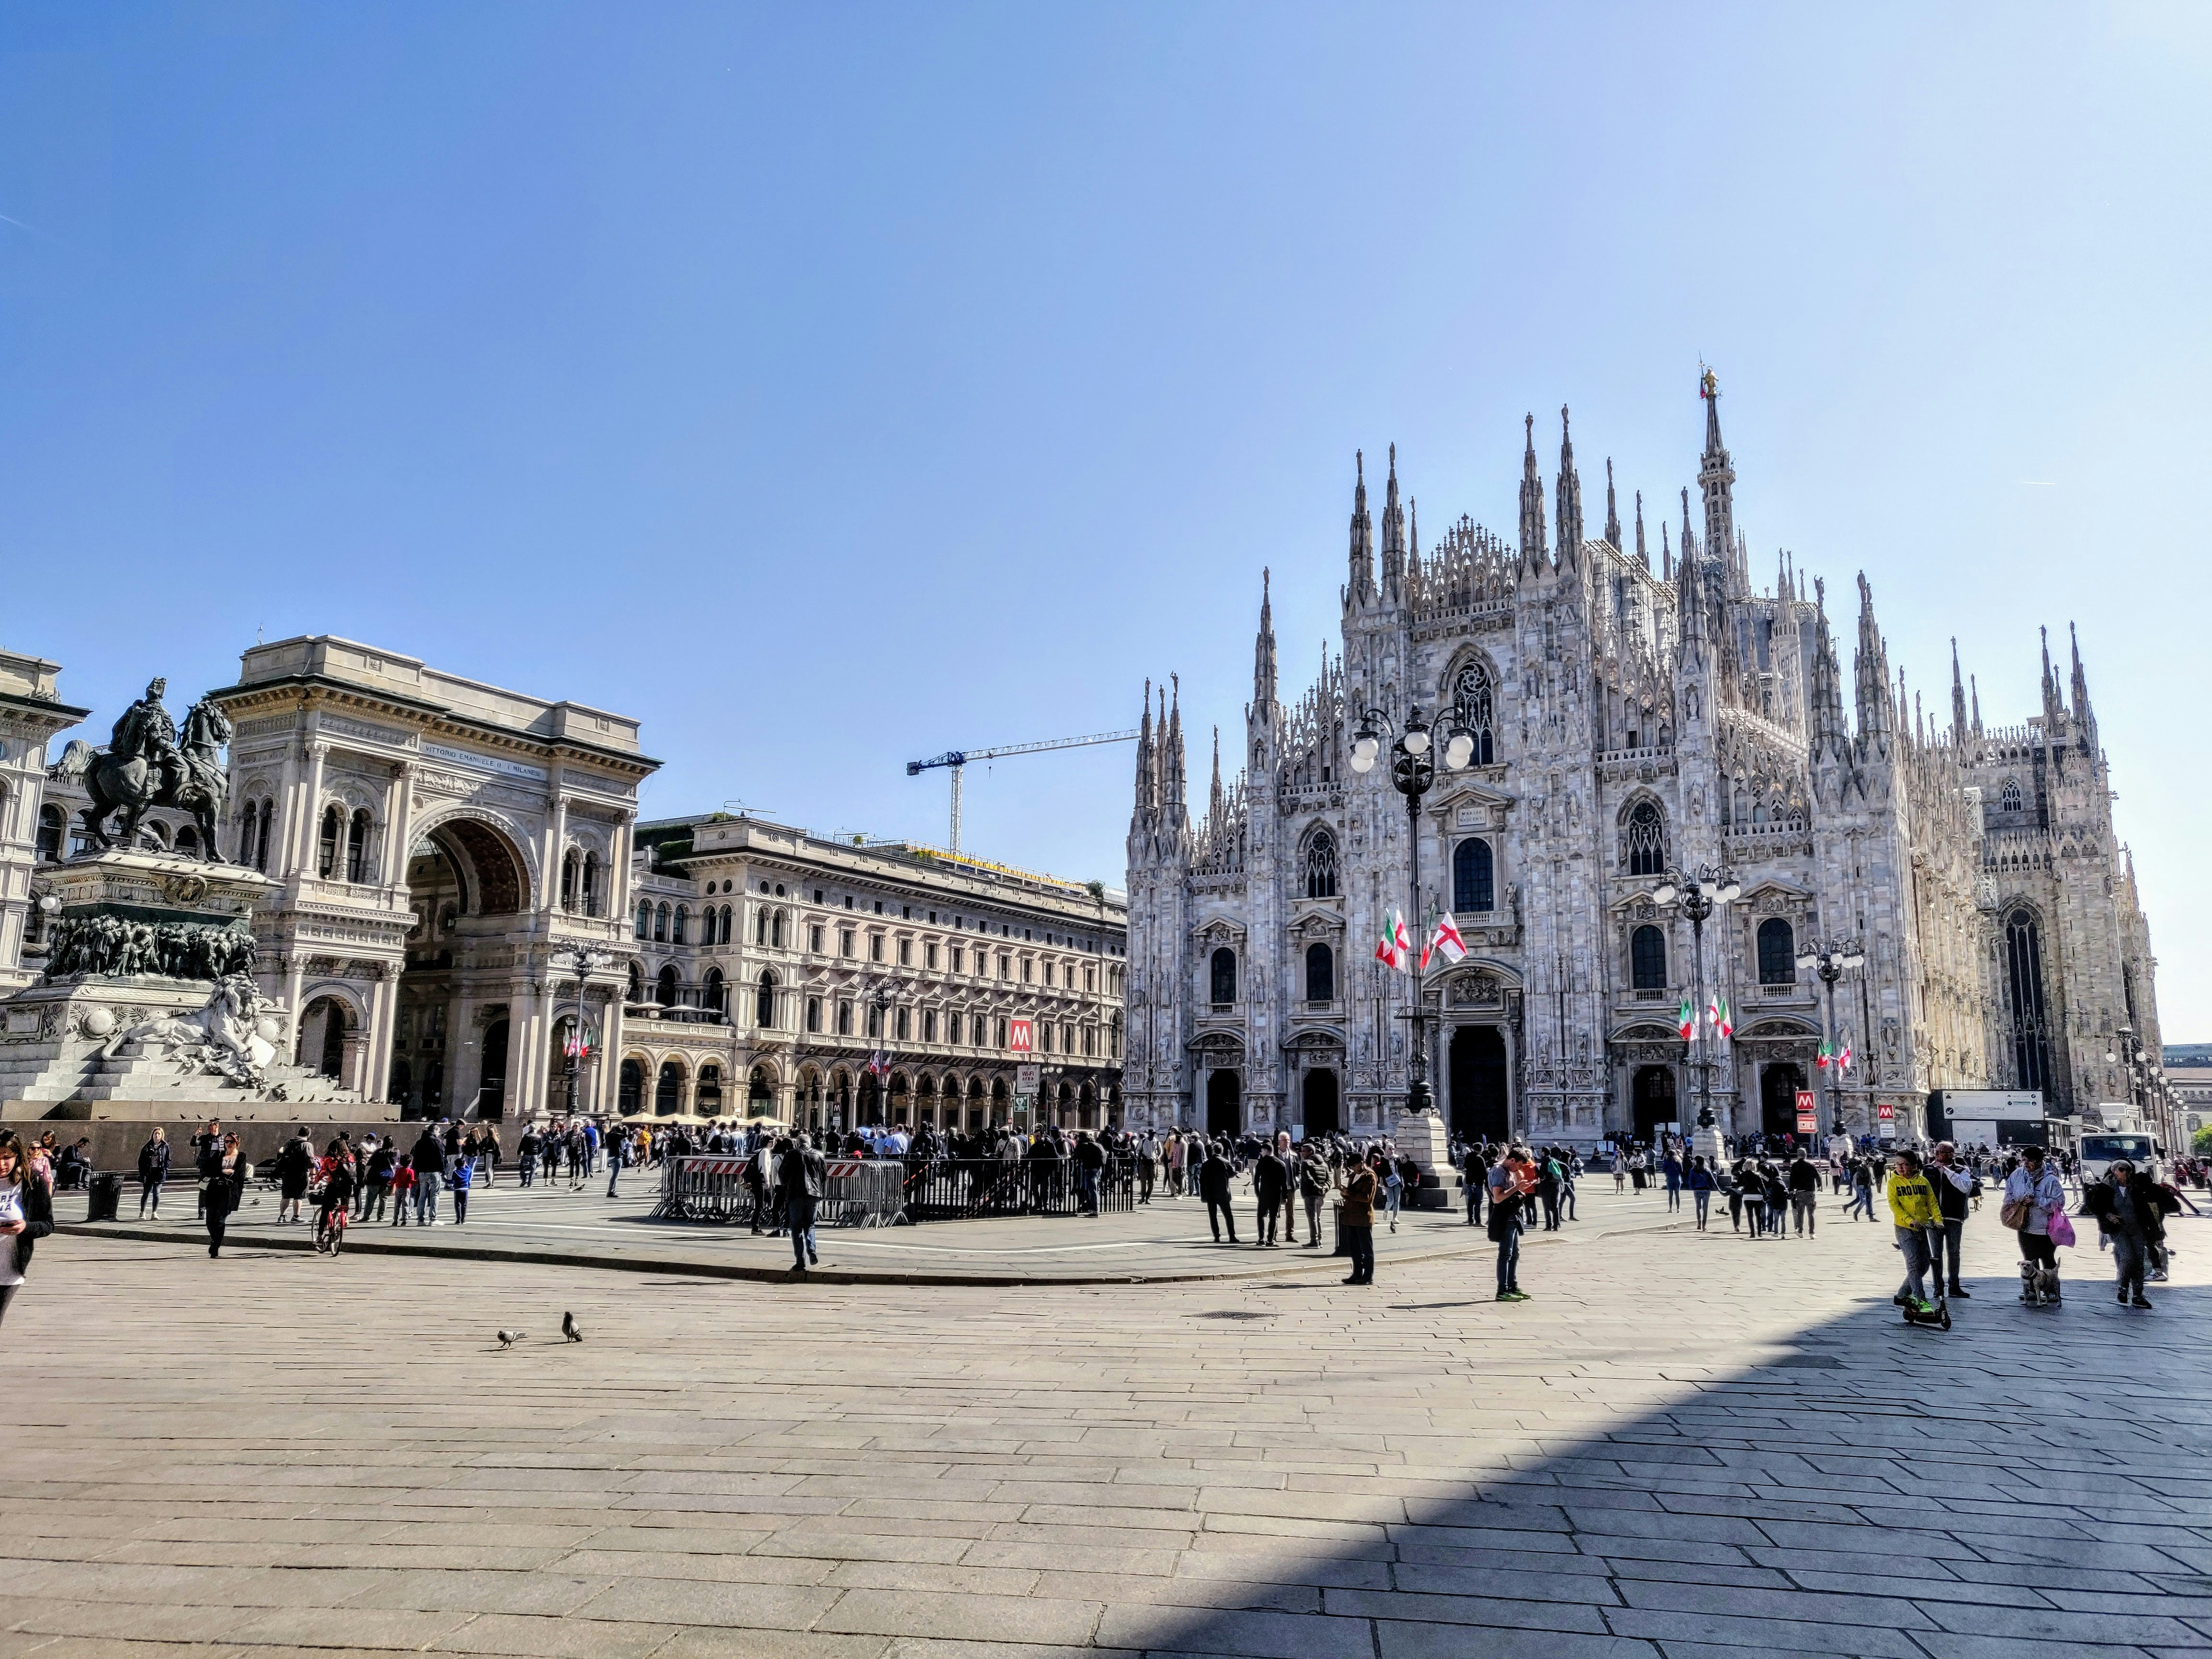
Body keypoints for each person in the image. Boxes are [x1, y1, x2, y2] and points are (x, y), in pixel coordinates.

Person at [2080, 1159, 2178, 1310]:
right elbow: (2094, 1206)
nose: (2125, 1172)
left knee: (2139, 1260)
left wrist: (2157, 1234)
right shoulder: (2106, 1188)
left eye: (2127, 1170)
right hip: (2118, 1229)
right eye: (2121, 1169)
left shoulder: (2136, 1189)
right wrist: (2108, 1215)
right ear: (2114, 1171)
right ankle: (2124, 1287)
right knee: (2128, 1257)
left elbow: (2146, 1212)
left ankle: (2138, 1295)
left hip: (2137, 1229)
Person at [0, 1132, 54, 1325]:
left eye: (7, 1157)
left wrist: (25, 1227)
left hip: (8, 1272)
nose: (2, 1164)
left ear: (18, 1156)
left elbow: (47, 1225)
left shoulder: (33, 1183)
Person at [2002, 1144, 2067, 1304]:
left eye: (2030, 1161)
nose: (2027, 1164)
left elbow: (2059, 1203)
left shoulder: (2050, 1180)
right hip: (2025, 1226)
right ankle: (2031, 1290)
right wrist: (2011, 1205)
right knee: (2029, 1260)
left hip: (2046, 1228)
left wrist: (2037, 1202)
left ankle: (2051, 1291)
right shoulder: (2017, 1175)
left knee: (2048, 1260)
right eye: (2025, 1160)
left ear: (2039, 1162)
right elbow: (2009, 1193)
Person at [1883, 1149, 1944, 1309]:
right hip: (1904, 1228)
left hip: (1922, 1227)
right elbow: (1894, 1206)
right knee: (1913, 1263)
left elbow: (1932, 1203)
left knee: (1924, 1265)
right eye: (1898, 1164)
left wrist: (1938, 1220)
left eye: (1905, 1164)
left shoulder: (1923, 1182)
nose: (1901, 1168)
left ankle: (1903, 1294)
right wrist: (1910, 1221)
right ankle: (1920, 1300)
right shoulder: (1893, 1183)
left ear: (1915, 1166)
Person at [1926, 1142, 1973, 1297]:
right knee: (1936, 1254)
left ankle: (1954, 1286)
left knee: (1954, 1252)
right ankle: (1937, 1287)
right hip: (1933, 1219)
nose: (1937, 1154)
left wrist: (1948, 1172)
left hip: (1954, 1217)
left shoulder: (1961, 1170)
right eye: (1936, 1151)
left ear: (1950, 1155)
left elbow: (1966, 1187)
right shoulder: (1927, 1170)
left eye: (1940, 1152)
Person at [1487, 1146, 1534, 1301]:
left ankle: (1512, 1287)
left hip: (1513, 1216)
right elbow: (1497, 1198)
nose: (1520, 1168)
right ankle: (1503, 1290)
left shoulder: (1510, 1171)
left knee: (1514, 1254)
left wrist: (1520, 1183)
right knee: (1506, 1254)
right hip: (1505, 1217)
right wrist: (1517, 1188)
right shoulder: (1499, 1172)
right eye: (1520, 1165)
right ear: (1513, 1161)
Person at [779, 1133, 825, 1274]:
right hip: (814, 1194)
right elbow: (824, 1176)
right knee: (810, 1225)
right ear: (809, 1143)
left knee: (797, 1228)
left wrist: (787, 1185)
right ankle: (812, 1250)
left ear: (798, 1144)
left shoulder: (791, 1154)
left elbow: (783, 1173)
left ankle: (800, 1261)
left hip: (796, 1193)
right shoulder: (819, 1155)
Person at [198, 1131, 249, 1258]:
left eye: (231, 1142)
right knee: (210, 1221)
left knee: (220, 1220)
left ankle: (215, 1246)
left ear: (237, 1143)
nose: (228, 1144)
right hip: (214, 1190)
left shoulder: (241, 1156)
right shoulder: (219, 1155)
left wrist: (227, 1174)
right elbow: (210, 1169)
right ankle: (214, 1240)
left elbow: (240, 1175)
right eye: (226, 1142)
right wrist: (223, 1172)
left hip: (229, 1192)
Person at [1338, 1154, 1377, 1286]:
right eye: (1352, 1167)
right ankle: (1357, 1273)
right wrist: (1345, 1193)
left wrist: (1350, 1194)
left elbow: (1367, 1197)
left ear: (1362, 1163)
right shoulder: (1354, 1176)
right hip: (1351, 1217)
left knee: (1366, 1249)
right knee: (1354, 1248)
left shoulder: (1369, 1176)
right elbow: (1351, 1194)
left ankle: (1368, 1275)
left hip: (1362, 1217)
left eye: (1355, 1166)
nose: (1354, 1169)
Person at [1199, 1140, 1238, 1243]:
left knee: (1213, 1216)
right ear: (1222, 1151)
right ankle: (1232, 1236)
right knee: (1228, 1215)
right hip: (1223, 1192)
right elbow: (1232, 1174)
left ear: (1213, 1151)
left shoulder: (1206, 1164)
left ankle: (1216, 1236)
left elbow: (1201, 1181)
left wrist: (1203, 1195)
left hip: (1210, 1193)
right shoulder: (1225, 1162)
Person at [1252, 1136, 1287, 1247]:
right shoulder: (1281, 1163)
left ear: (1266, 1152)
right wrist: (1285, 1196)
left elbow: (1256, 1180)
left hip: (1264, 1193)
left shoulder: (1261, 1163)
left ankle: (1261, 1238)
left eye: (1262, 1151)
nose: (1261, 1153)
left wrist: (1258, 1193)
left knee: (1261, 1216)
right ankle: (1270, 1239)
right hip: (1276, 1193)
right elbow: (1284, 1182)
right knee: (1273, 1216)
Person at [275, 1127, 313, 1225]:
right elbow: (310, 1161)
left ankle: (282, 1217)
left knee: (286, 1196)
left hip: (287, 1173)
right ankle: (296, 1216)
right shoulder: (307, 1145)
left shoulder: (289, 1143)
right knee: (299, 1196)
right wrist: (313, 1173)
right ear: (309, 1135)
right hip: (301, 1173)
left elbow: (279, 1156)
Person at [410, 1127, 446, 1226]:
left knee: (423, 1195)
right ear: (435, 1131)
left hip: (422, 1172)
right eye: (438, 1131)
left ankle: (420, 1219)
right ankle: (433, 1219)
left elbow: (415, 1157)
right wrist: (444, 1171)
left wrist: (417, 1171)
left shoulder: (420, 1142)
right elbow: (441, 1157)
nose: (439, 1133)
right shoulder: (437, 1142)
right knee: (435, 1195)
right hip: (434, 1172)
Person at [136, 1127, 171, 1218]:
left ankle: (154, 1212)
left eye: (159, 1134)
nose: (157, 1136)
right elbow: (141, 1161)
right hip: (149, 1172)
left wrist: (165, 1169)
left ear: (162, 1135)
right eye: (156, 1134)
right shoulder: (147, 1146)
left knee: (157, 1193)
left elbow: (168, 1159)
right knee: (146, 1192)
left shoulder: (165, 1146)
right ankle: (143, 1212)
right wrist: (142, 1173)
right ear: (153, 1135)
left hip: (159, 1172)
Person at [1298, 1147, 1328, 1248]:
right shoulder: (1324, 1164)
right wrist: (1324, 1188)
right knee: (1318, 1218)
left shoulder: (1306, 1163)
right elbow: (1329, 1179)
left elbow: (1308, 1178)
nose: (1302, 1153)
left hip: (1310, 1193)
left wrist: (1317, 1187)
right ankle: (1319, 1239)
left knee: (1312, 1218)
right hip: (1321, 1194)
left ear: (1311, 1152)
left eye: (1304, 1151)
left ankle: (1314, 1241)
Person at [1787, 1152, 1821, 1238]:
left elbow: (1791, 1179)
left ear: (1798, 1155)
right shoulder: (1811, 1165)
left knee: (1800, 1213)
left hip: (1800, 1192)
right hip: (1810, 1191)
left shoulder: (1795, 1166)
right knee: (1811, 1213)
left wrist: (1791, 1190)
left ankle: (1800, 1231)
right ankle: (1812, 1233)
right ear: (1805, 1155)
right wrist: (1819, 1185)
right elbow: (1817, 1176)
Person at [1686, 1155, 1715, 1230]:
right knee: (1705, 1209)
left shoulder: (1693, 1170)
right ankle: (1704, 1226)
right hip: (1706, 1190)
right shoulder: (1706, 1170)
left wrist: (1693, 1188)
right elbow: (1713, 1180)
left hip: (1697, 1190)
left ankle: (1699, 1224)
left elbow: (1690, 1181)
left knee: (1698, 1207)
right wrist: (1716, 1187)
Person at [390, 1154, 418, 1225]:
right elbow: (412, 1181)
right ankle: (405, 1219)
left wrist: (391, 1183)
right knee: (405, 1204)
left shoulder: (398, 1171)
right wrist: (418, 1182)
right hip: (406, 1189)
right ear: (409, 1163)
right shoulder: (410, 1171)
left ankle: (395, 1220)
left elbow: (395, 1179)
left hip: (398, 1188)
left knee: (397, 1205)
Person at [1660, 1150, 1683, 1214]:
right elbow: (1682, 1170)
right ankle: (1678, 1209)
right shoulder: (1679, 1161)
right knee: (1677, 1194)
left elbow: (1664, 1170)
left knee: (1670, 1194)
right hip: (1677, 1178)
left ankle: (1670, 1209)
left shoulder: (1667, 1161)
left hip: (1669, 1178)